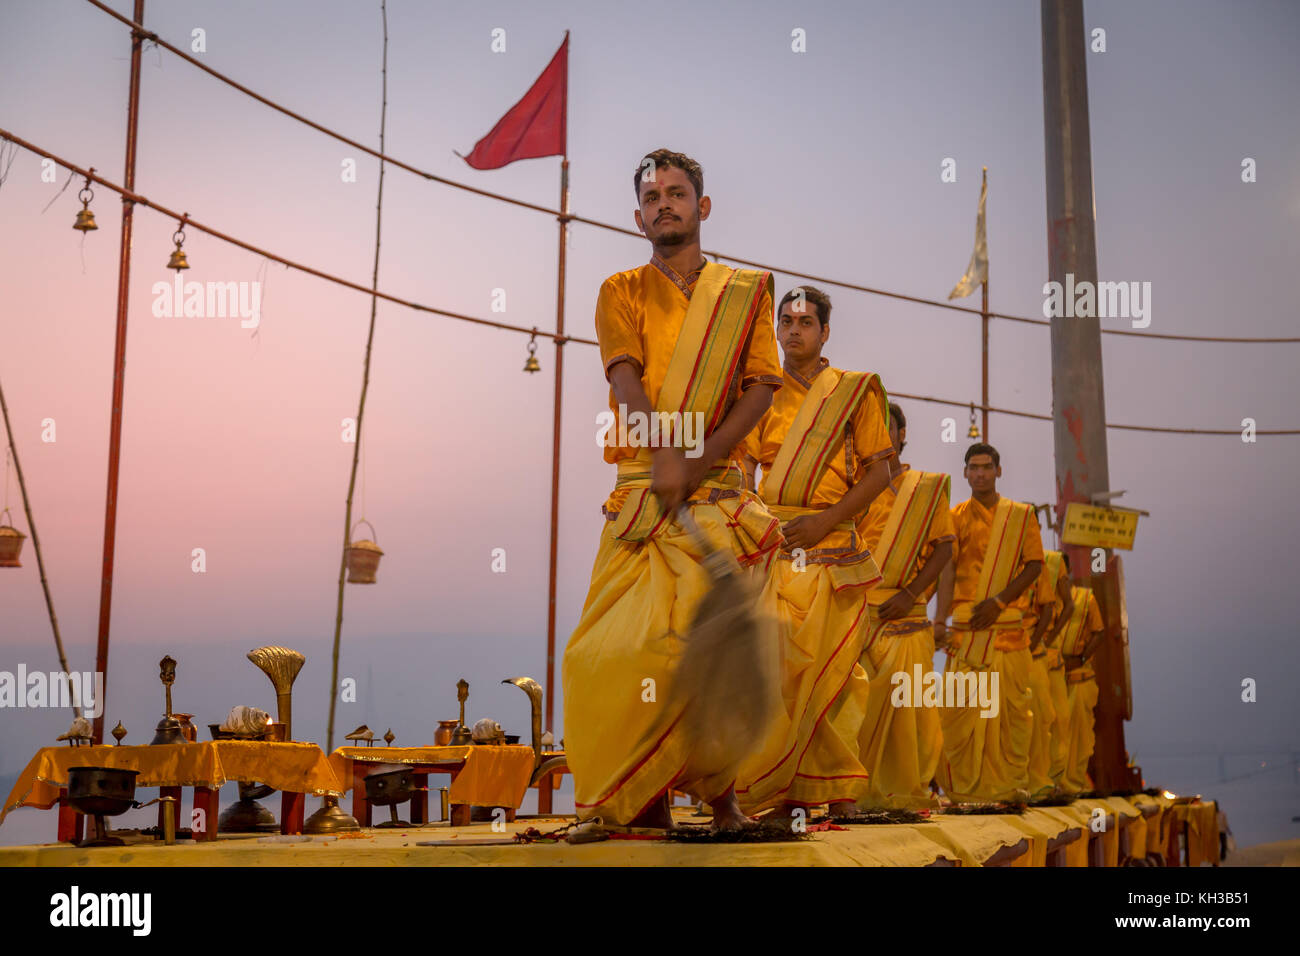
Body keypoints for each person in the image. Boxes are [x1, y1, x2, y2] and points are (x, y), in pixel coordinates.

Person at [562, 149, 785, 830]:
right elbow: (624, 379)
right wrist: (664, 455)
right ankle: (633, 798)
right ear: (638, 218)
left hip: (714, 494)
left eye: (678, 192)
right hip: (642, 496)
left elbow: (761, 388)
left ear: (702, 207)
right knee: (609, 653)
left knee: (712, 649)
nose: (665, 203)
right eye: (653, 196)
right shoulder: (620, 290)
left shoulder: (746, 293)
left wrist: (701, 459)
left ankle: (723, 801)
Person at [733, 285, 894, 820]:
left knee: (837, 673)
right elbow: (745, 473)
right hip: (774, 548)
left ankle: (840, 793)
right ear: (776, 329)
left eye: (806, 322)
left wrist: (823, 521)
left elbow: (879, 471)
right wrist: (754, 527)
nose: (794, 330)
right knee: (776, 672)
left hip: (832, 549)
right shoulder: (759, 392)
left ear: (825, 332)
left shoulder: (854, 392)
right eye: (786, 321)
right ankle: (779, 794)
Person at [854, 402, 955, 809]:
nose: (882, 437)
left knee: (908, 712)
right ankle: (856, 795)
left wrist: (911, 595)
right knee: (856, 711)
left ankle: (903, 796)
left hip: (907, 617)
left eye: (888, 429)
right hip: (859, 615)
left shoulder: (924, 489)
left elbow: (944, 550)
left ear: (901, 435)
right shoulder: (855, 486)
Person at [933, 443, 1044, 803]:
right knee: (958, 714)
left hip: (1008, 630)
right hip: (967, 630)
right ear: (965, 473)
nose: (980, 473)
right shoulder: (953, 516)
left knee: (1011, 714)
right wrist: (940, 619)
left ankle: (1008, 788)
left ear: (999, 471)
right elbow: (946, 570)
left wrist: (998, 602)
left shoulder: (1021, 516)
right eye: (973, 467)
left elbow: (1034, 566)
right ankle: (964, 791)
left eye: (986, 467)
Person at [1054, 552, 1106, 796]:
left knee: (1077, 736)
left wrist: (1082, 658)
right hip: (1053, 676)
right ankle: (1051, 784)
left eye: (1061, 571)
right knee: (1052, 731)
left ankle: (1073, 785)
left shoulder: (1086, 599)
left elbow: (1099, 632)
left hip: (1080, 678)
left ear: (1069, 572)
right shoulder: (1046, 599)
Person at [1039, 549, 1075, 788]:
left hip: (1045, 654)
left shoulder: (1051, 563)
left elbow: (1068, 607)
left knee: (1055, 719)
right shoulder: (1004, 555)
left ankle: (1050, 780)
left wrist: (1049, 637)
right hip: (1006, 647)